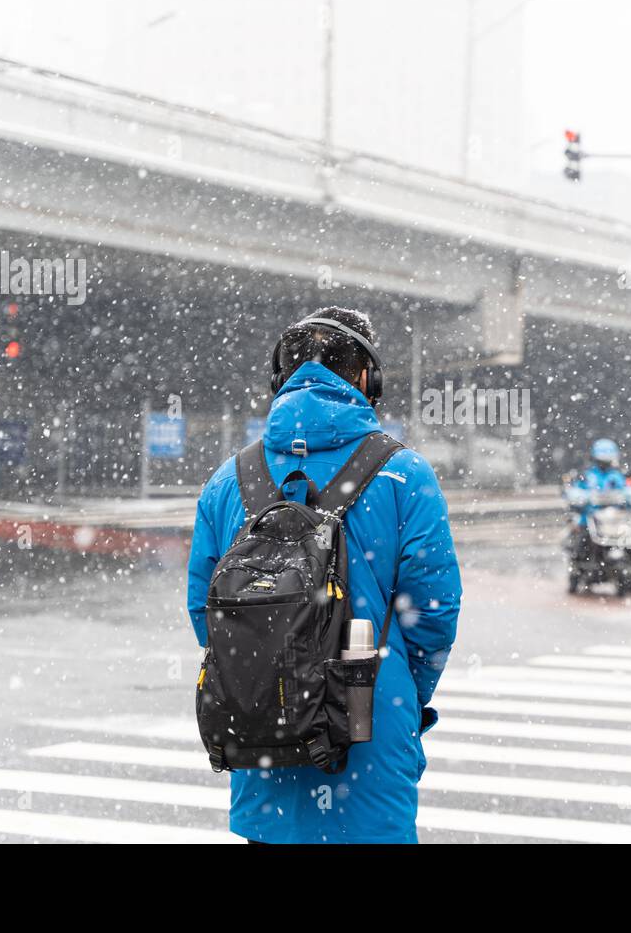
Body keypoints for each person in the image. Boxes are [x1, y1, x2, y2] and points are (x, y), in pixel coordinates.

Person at [186, 306, 462, 843]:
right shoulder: (403, 474)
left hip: (261, 735)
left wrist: (267, 672)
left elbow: (205, 609)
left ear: (279, 378)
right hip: (369, 735)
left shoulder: (228, 481)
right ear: (366, 378)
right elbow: (435, 610)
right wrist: (394, 687)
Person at [564, 438, 631, 590]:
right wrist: (581, 497)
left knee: (628, 544)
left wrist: (629, 496)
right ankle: (577, 572)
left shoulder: (620, 475)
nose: (605, 464)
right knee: (582, 543)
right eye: (602, 461)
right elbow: (572, 492)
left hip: (614, 520)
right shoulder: (586, 476)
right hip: (590, 520)